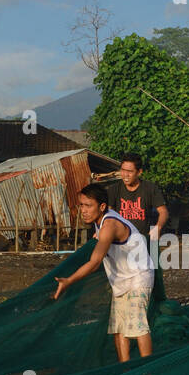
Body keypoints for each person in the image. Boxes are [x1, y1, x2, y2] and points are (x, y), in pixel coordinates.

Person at [52, 183, 154, 361]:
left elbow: (95, 262)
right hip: (121, 280)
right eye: (81, 205)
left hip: (138, 277)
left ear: (102, 207)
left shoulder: (109, 225)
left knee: (138, 326)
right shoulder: (101, 222)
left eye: (88, 205)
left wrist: (68, 281)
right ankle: (125, 369)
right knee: (118, 328)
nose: (83, 210)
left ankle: (148, 371)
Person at [103, 153, 168, 251]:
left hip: (144, 239)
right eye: (123, 170)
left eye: (130, 171)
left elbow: (163, 212)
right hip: (121, 242)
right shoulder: (114, 189)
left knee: (153, 258)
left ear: (139, 172)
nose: (125, 175)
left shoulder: (150, 188)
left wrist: (157, 228)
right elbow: (108, 214)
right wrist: (102, 230)